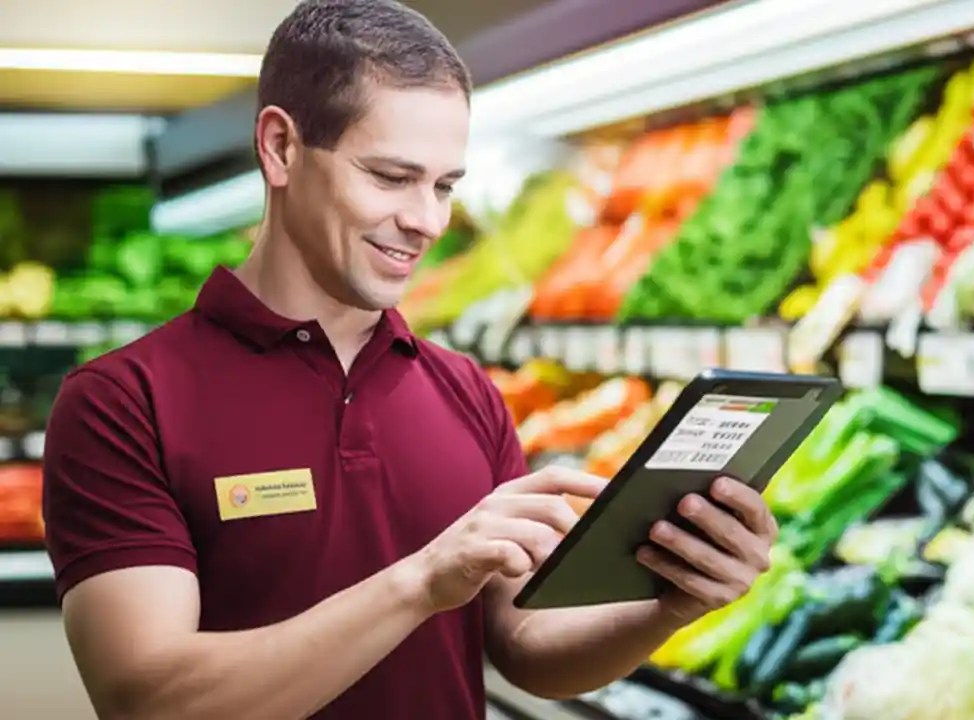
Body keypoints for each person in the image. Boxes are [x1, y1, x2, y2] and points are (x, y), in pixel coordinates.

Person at [40, 1, 778, 718]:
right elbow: (150, 700)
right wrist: (422, 581)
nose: (426, 220)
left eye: (445, 185)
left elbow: (526, 647)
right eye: (391, 177)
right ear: (281, 148)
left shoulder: (465, 391)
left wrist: (668, 604)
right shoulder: (122, 401)